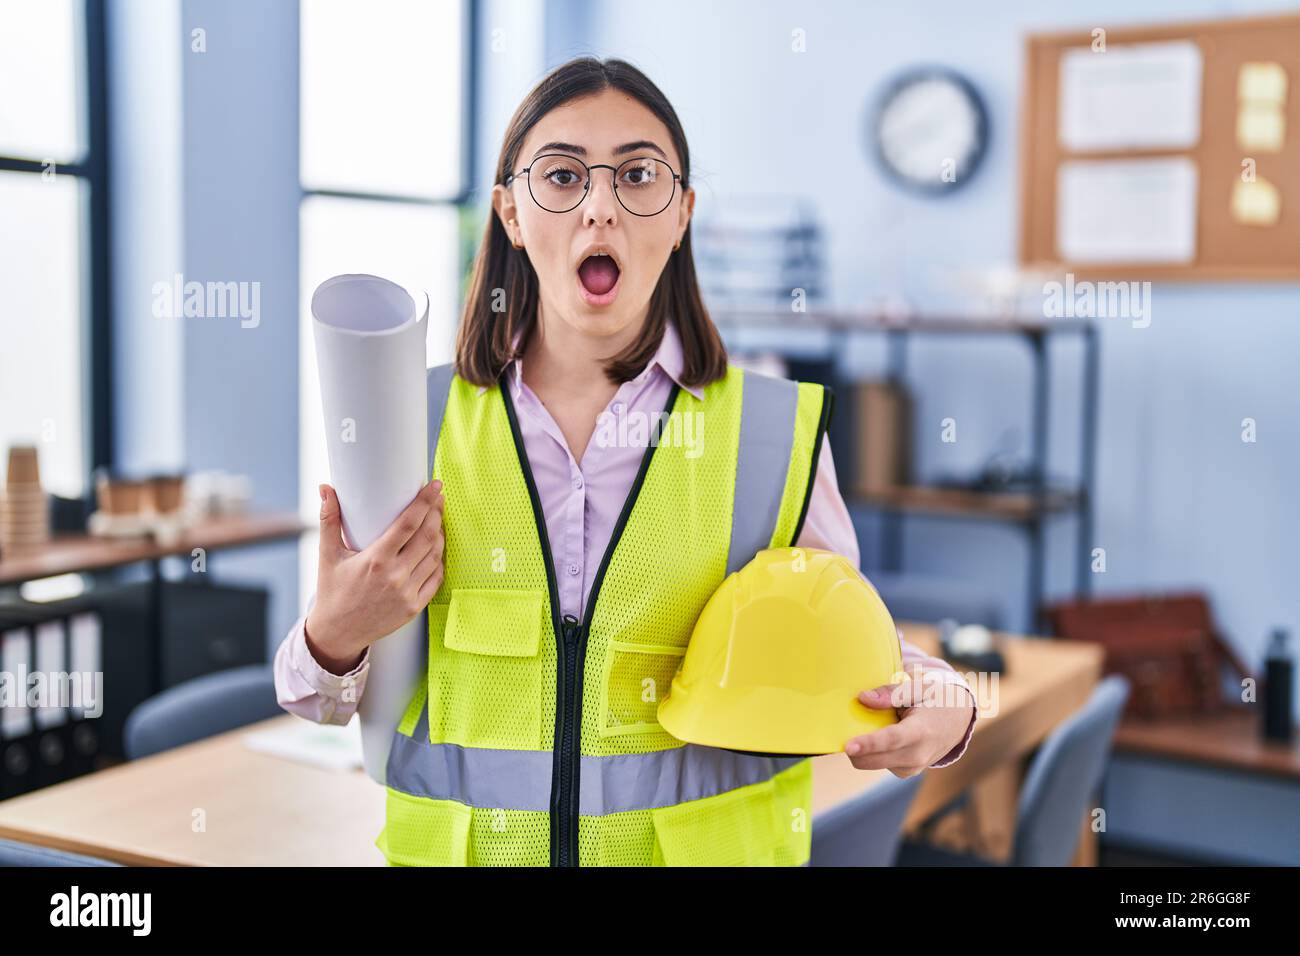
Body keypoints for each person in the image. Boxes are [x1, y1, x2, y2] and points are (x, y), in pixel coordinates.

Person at [275, 56, 976, 867]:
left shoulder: (772, 434)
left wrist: (949, 702)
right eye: (563, 176)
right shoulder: (413, 421)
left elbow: (843, 644)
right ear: (509, 211)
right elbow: (314, 696)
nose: (600, 208)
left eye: (637, 175)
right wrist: (334, 633)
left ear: (680, 214)